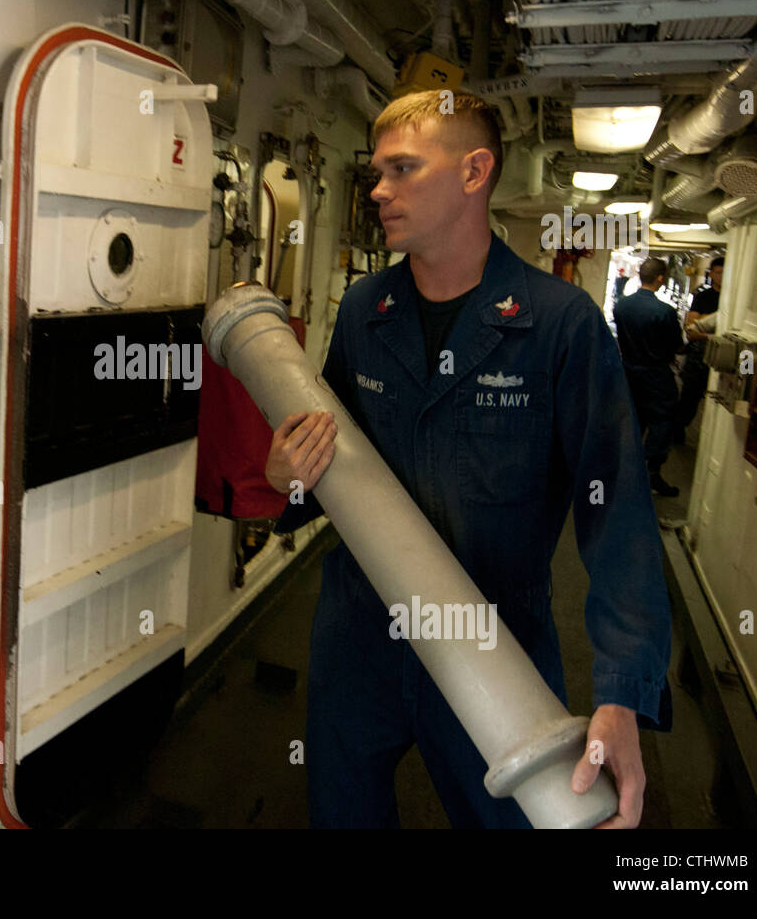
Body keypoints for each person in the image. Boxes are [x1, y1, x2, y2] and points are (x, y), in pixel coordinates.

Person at [266, 90, 672, 829]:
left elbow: (616, 512)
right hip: (363, 630)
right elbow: (330, 463)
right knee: (341, 814)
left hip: (498, 639)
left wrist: (621, 693)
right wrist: (286, 480)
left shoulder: (558, 325)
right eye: (377, 171)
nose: (380, 190)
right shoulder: (364, 312)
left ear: (474, 171)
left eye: (402, 168)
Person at [613, 258, 684, 497]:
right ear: (661, 278)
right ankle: (652, 470)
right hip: (656, 374)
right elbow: (676, 345)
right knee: (663, 419)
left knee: (634, 419)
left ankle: (626, 468)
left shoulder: (622, 305)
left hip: (628, 370)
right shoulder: (665, 312)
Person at [674, 255, 724, 444]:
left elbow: (698, 324)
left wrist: (704, 321)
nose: (722, 276)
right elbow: (692, 329)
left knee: (717, 398)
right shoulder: (703, 297)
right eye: (718, 272)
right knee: (690, 398)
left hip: (721, 357)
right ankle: (678, 428)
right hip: (699, 356)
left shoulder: (732, 301)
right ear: (712, 274)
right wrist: (713, 331)